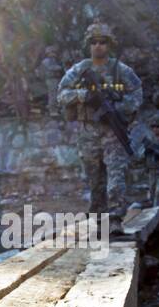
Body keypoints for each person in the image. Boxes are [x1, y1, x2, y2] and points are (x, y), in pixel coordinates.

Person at [56, 22, 144, 220]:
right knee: (94, 177)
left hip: (113, 130)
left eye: (102, 42)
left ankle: (115, 215)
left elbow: (137, 95)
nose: (98, 46)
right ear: (88, 45)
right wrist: (84, 95)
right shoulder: (79, 70)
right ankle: (97, 212)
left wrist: (116, 109)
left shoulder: (121, 70)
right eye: (94, 42)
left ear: (109, 44)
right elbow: (61, 95)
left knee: (116, 174)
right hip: (88, 131)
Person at [40, 46, 64, 116]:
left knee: (58, 94)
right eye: (52, 52)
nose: (54, 54)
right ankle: (53, 111)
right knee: (52, 95)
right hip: (50, 79)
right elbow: (52, 68)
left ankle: (58, 109)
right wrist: (59, 67)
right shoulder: (46, 61)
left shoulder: (55, 60)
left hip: (57, 79)